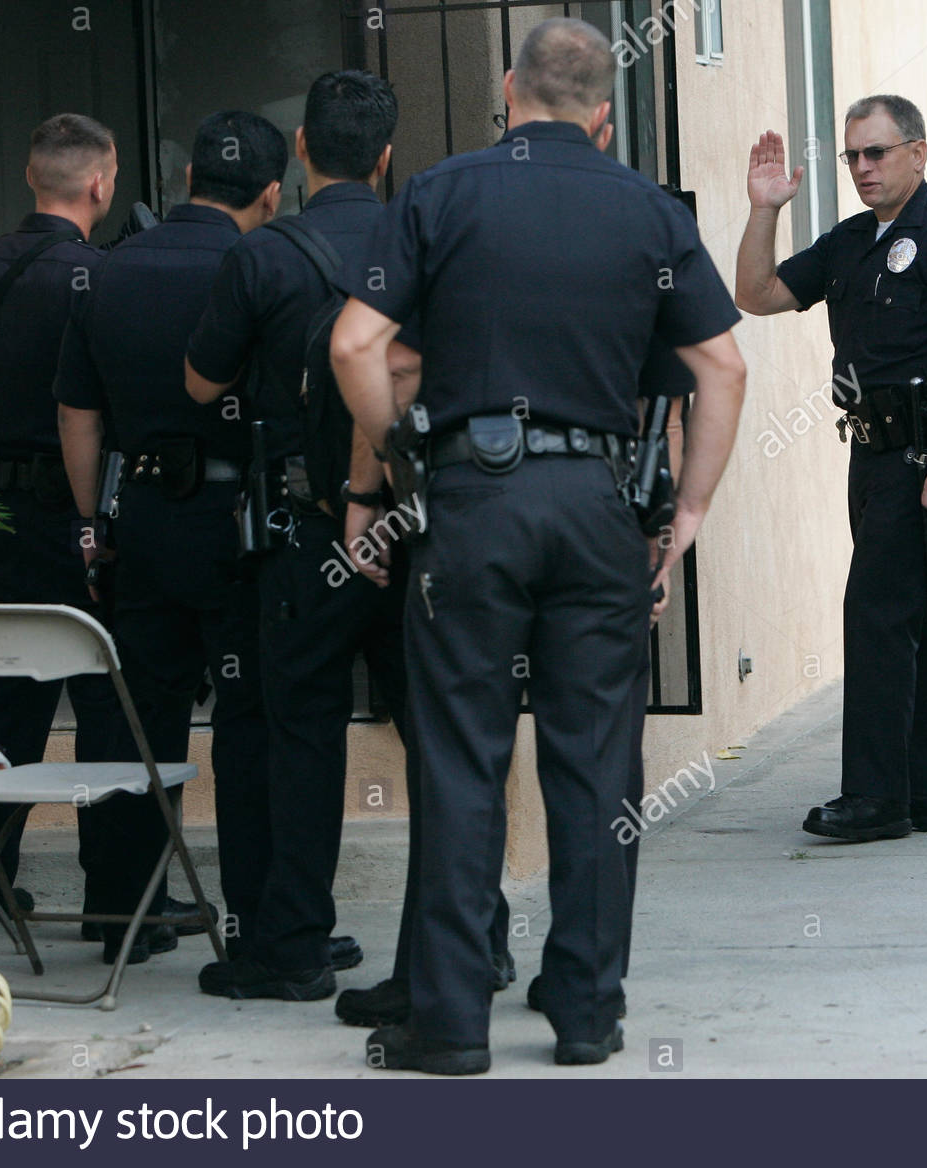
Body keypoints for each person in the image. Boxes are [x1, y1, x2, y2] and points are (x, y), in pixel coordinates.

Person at [332, 17, 746, 1074]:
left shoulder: (439, 192)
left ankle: (452, 1021)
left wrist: (396, 459)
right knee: (598, 766)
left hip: (474, 501)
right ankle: (586, 1010)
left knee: (461, 757)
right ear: (603, 115)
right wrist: (686, 513)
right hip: (601, 508)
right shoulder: (648, 211)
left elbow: (354, 343)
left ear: (506, 91)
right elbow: (723, 368)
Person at [185, 71, 468, 1002]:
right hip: (417, 525)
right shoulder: (430, 244)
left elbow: (200, 383)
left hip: (305, 532)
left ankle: (291, 945)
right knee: (441, 739)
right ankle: (470, 943)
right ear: (387, 157)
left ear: (299, 150)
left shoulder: (262, 258)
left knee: (294, 735)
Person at [54, 111, 288, 964]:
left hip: (142, 520)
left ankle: (125, 913)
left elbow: (77, 414)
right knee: (247, 720)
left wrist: (93, 523)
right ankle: (254, 922)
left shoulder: (108, 270)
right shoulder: (259, 264)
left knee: (134, 721)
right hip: (239, 524)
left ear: (187, 177)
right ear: (272, 191)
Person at [734, 96, 927, 842]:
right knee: (921, 615)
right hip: (873, 451)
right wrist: (764, 210)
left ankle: (877, 798)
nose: (862, 168)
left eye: (877, 153)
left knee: (879, 614)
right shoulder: (851, 240)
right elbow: (754, 295)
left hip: (926, 452)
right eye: (852, 155)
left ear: (918, 152)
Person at [0, 113, 122, 931]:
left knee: (4, 689)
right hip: (84, 511)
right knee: (107, 695)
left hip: (1, 503)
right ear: (100, 184)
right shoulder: (102, 276)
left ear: (34, 177)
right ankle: (117, 900)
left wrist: (4, 410)